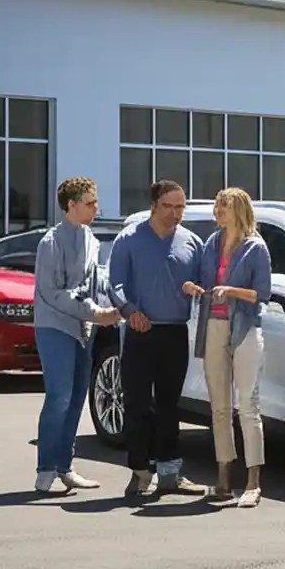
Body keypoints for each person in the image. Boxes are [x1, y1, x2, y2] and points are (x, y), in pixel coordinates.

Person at [108, 179, 207, 498]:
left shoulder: (192, 242)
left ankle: (169, 472)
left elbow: (204, 282)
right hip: (140, 332)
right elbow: (116, 283)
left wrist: (196, 288)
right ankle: (139, 471)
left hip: (175, 332)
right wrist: (129, 310)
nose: (176, 213)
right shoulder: (130, 238)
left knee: (169, 406)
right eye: (169, 206)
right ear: (154, 206)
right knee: (137, 403)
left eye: (181, 207)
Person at [183, 188, 272, 508]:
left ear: (239, 210)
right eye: (216, 204)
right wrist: (191, 286)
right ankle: (223, 480)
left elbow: (262, 294)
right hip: (214, 326)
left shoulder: (255, 248)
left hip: (245, 327)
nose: (217, 210)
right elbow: (200, 281)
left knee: (248, 404)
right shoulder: (211, 244)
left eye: (224, 205)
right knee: (219, 407)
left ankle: (253, 482)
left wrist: (232, 290)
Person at [32, 177, 122, 493]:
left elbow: (95, 285)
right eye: (90, 203)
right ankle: (45, 470)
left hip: (84, 329)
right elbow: (51, 292)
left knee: (76, 399)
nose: (97, 208)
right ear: (71, 205)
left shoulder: (91, 240)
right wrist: (95, 313)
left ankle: (64, 467)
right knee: (59, 397)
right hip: (55, 326)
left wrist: (114, 306)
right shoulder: (51, 243)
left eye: (96, 201)